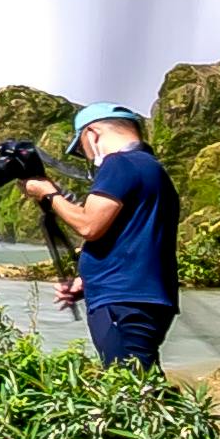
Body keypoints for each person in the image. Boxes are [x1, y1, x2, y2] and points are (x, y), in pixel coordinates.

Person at [40, 100, 180, 370]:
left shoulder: (120, 164)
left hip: (124, 299)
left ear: (92, 134)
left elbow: (89, 226)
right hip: (139, 296)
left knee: (130, 386)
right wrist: (87, 281)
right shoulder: (152, 169)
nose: (89, 159)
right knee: (138, 380)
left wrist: (48, 193)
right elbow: (135, 237)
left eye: (82, 149)